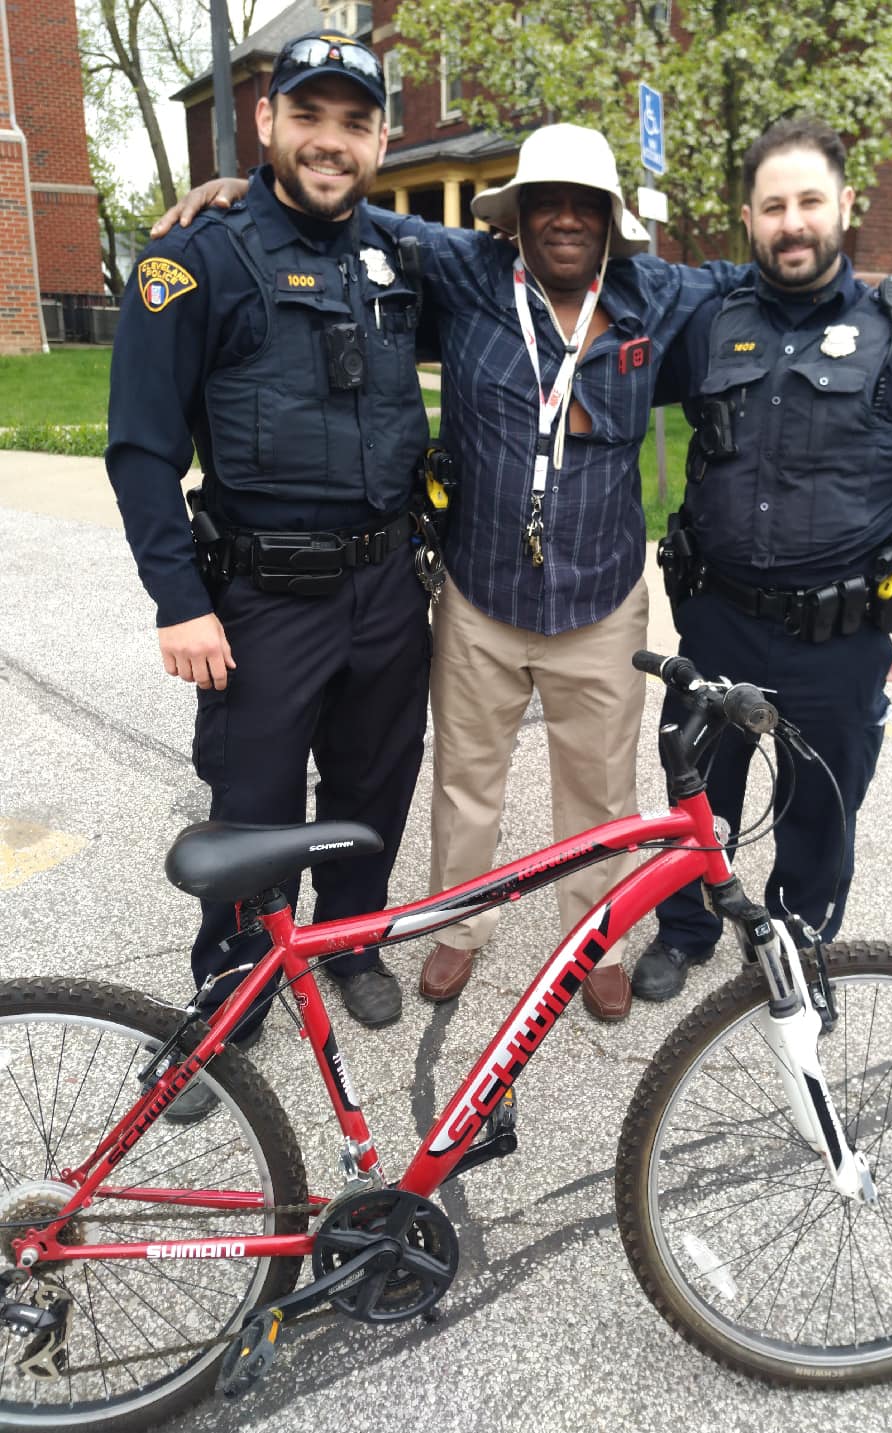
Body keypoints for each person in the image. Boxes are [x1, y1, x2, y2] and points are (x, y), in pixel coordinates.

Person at [161, 123, 750, 1023]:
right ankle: (457, 926)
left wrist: (889, 305)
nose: (563, 219)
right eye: (544, 201)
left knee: (597, 789)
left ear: (607, 220)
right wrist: (240, 181)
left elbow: (766, 279)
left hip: (599, 599)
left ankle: (593, 940)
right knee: (465, 779)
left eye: (582, 205)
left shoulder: (656, 295)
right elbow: (340, 201)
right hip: (480, 591)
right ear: (514, 216)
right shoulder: (468, 270)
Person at [106, 30, 432, 1119]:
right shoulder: (193, 259)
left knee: (372, 784)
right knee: (250, 807)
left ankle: (349, 942)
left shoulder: (400, 252)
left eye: (354, 122)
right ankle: (229, 994)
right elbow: (142, 446)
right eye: (310, 117)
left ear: (382, 136)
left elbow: (531, 270)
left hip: (389, 587)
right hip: (259, 598)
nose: (331, 143)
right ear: (266, 122)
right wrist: (179, 599)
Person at [631, 116, 892, 1002]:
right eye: (773, 206)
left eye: (809, 202)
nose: (792, 223)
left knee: (818, 812)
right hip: (716, 615)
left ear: (844, 207)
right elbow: (605, 320)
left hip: (839, 634)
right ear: (748, 218)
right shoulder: (709, 320)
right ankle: (686, 928)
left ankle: (794, 949)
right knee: (695, 789)